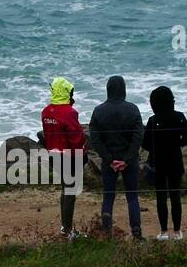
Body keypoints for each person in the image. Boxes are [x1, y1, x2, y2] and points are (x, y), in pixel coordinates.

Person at [89, 76, 145, 240]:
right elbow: (138, 137)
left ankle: (107, 233)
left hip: (109, 161)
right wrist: (127, 160)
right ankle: (137, 234)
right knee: (132, 197)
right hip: (130, 161)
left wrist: (109, 159)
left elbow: (95, 139)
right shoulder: (133, 109)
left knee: (108, 196)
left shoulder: (98, 111)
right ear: (124, 90)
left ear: (108, 90)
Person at [142, 86, 187, 240]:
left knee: (161, 197)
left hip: (158, 162)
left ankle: (163, 232)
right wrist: (177, 142)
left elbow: (145, 143)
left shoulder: (153, 120)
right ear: (171, 100)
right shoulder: (180, 117)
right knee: (175, 196)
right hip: (175, 160)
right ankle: (177, 232)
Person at [41, 77, 86, 239]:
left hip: (54, 155)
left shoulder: (46, 111)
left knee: (65, 189)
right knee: (70, 191)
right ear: (66, 92)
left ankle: (64, 227)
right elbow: (76, 138)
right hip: (70, 157)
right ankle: (67, 230)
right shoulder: (70, 113)